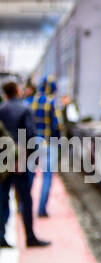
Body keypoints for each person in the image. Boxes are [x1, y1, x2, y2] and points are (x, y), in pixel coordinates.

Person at [0, 81, 50, 248]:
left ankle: (1, 237)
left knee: (2, 198)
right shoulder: (25, 109)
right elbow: (30, 135)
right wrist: (33, 159)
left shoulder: (1, 109)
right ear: (17, 91)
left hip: (3, 159)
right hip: (21, 159)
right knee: (26, 200)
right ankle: (30, 237)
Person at [31, 79, 61, 218]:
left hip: (34, 142)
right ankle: (41, 209)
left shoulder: (32, 101)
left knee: (30, 175)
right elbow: (57, 126)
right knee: (47, 176)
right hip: (49, 143)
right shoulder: (52, 102)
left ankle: (22, 206)